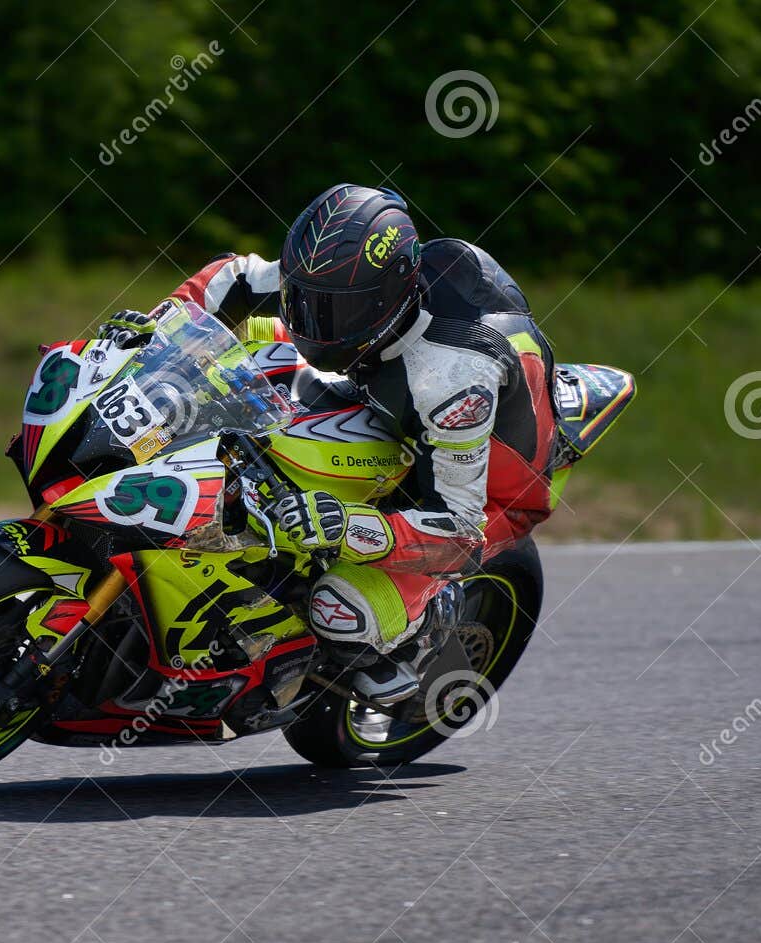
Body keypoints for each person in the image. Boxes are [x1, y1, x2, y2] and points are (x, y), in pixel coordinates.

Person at [99, 184, 557, 701]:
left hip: (485, 493)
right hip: (383, 389)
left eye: (330, 312)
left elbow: (458, 526)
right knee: (243, 349)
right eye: (303, 299)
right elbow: (237, 278)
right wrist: (159, 330)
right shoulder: (336, 276)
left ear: (387, 301)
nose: (310, 321)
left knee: (340, 609)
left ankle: (420, 631)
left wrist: (349, 526)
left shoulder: (451, 380)